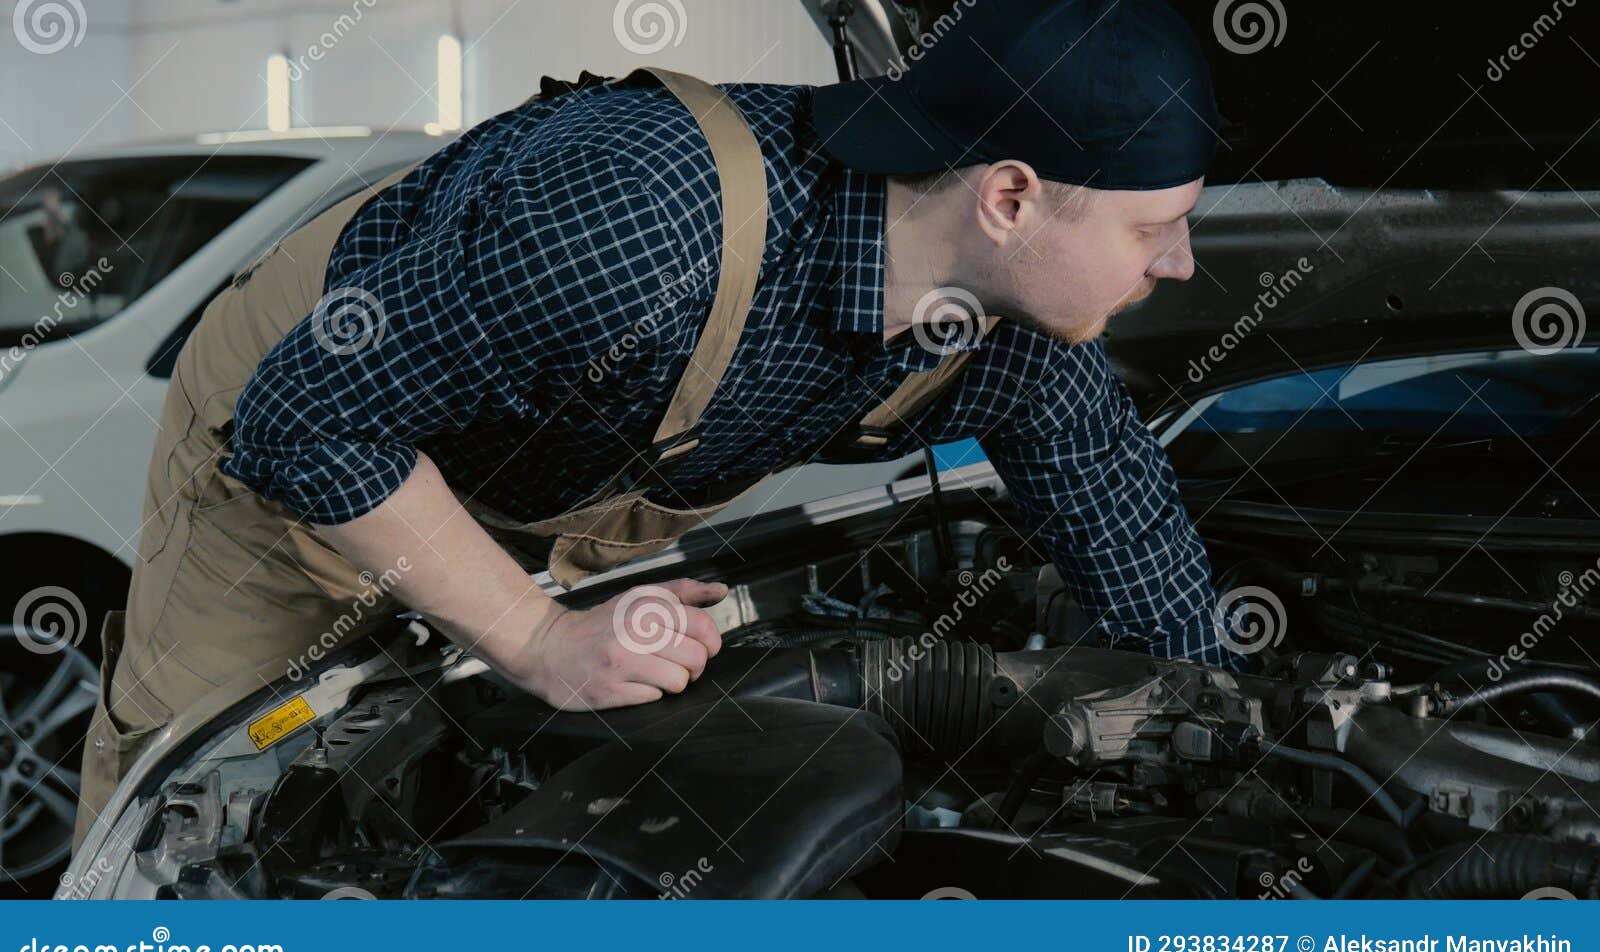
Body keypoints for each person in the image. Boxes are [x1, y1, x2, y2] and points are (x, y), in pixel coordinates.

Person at [75, 0, 1239, 847]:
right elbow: (308, 425)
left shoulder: (1016, 338)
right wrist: (534, 642)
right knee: (201, 804)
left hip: (544, 474)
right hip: (314, 417)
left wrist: (1217, 722)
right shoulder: (637, 224)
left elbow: (1119, 515)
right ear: (1009, 197)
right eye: (1156, 228)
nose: (1184, 262)